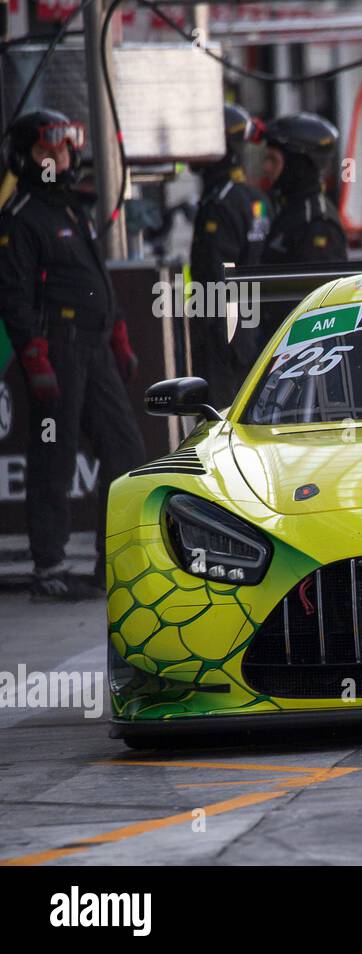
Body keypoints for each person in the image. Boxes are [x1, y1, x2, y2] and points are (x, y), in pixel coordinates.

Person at [0, 109, 147, 600]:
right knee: (54, 457)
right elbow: (15, 297)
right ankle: (50, 566)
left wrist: (119, 332)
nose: (59, 156)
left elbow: (97, 281)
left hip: (96, 347)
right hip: (56, 350)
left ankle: (117, 561)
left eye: (63, 147)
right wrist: (35, 359)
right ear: (25, 157)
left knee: (126, 453)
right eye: (48, 149)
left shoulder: (70, 209)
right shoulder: (20, 219)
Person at [244, 112, 347, 362]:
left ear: (296, 164)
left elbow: (323, 308)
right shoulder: (289, 211)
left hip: (304, 359)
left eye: (273, 160)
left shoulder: (317, 221)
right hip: (277, 348)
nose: (266, 169)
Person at [189, 103, 270, 408]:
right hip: (253, 330)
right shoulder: (256, 199)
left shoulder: (220, 203)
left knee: (219, 418)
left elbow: (216, 277)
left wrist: (216, 332)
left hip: (225, 334)